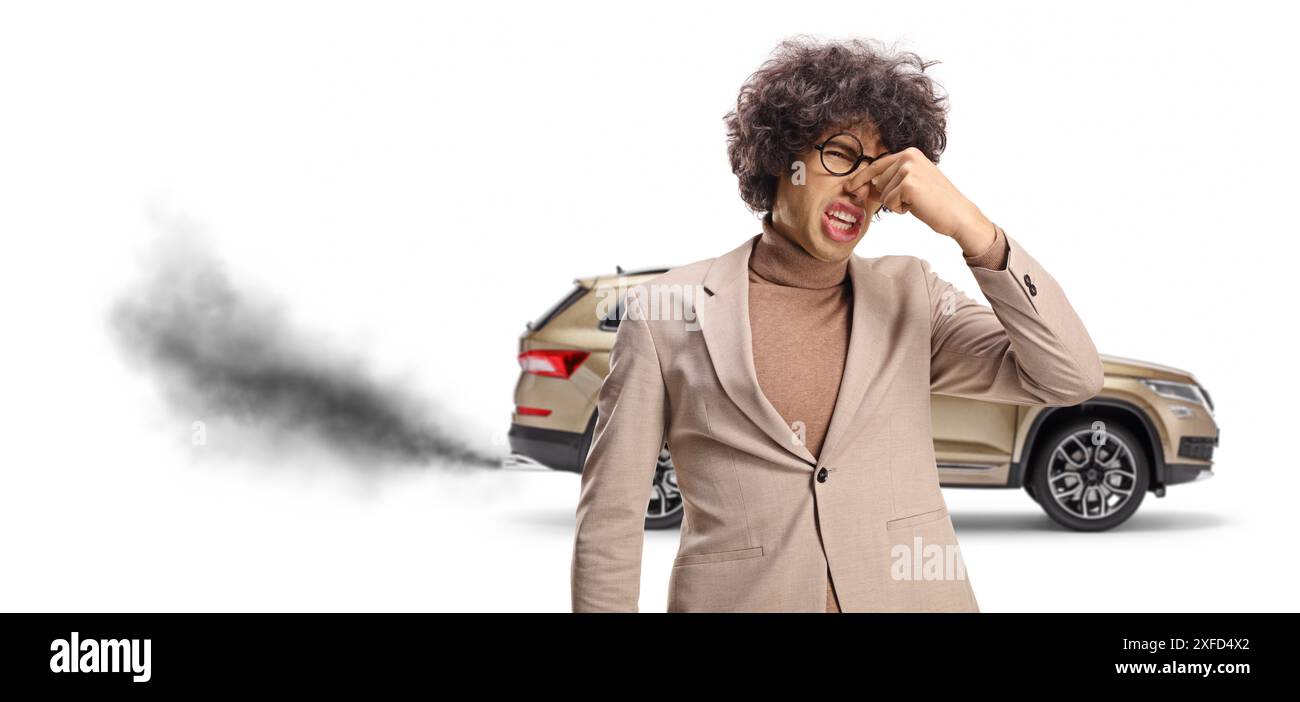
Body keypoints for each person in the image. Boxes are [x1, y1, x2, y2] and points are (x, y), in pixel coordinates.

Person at [571, 37, 1103, 612]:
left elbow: (1070, 378)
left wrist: (973, 230)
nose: (860, 184)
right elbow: (611, 520)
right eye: (842, 155)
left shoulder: (912, 295)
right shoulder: (665, 313)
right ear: (780, 157)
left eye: (880, 168)